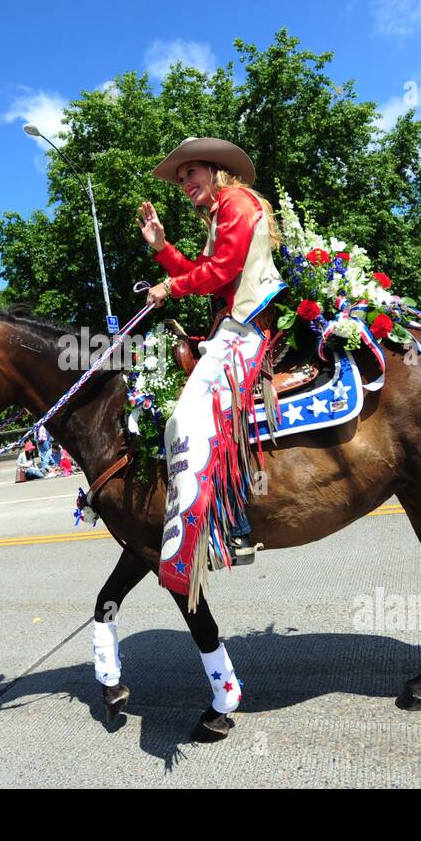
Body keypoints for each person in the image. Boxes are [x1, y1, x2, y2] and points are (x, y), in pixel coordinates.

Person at [138, 136, 285, 593]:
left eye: (191, 173)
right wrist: (162, 248)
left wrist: (168, 289)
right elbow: (201, 270)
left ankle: (234, 523)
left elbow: (220, 272)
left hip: (246, 324)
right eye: (180, 179)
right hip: (231, 324)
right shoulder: (222, 213)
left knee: (191, 413)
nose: (184, 184)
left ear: (216, 170)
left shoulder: (237, 201)